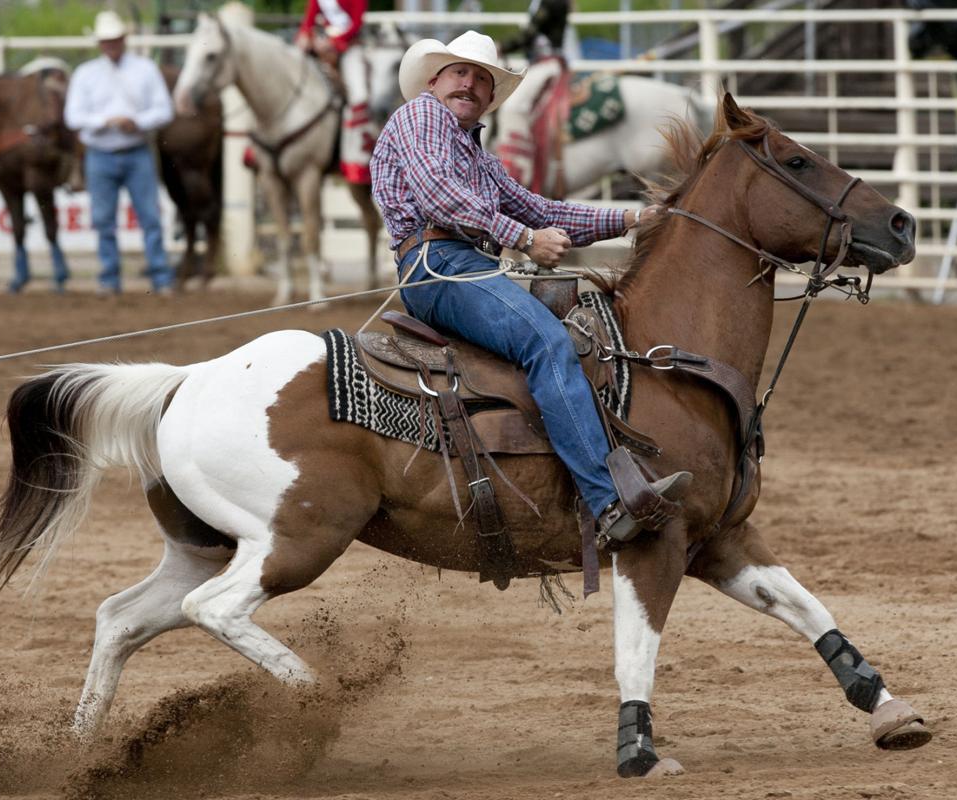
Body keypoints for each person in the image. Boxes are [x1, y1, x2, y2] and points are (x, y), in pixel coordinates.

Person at [370, 30, 690, 544]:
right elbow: (438, 196)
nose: (470, 84)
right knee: (546, 341)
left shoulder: (477, 157)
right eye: (460, 73)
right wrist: (521, 238)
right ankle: (607, 499)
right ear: (433, 81)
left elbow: (544, 211)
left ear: (490, 98)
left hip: (461, 264)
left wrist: (634, 217)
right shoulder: (421, 117)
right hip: (438, 265)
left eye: (482, 79)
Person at [64, 10, 174, 295]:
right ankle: (110, 278)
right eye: (106, 40)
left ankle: (160, 276)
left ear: (123, 39)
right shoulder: (86, 74)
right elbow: (73, 116)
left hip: (136, 150)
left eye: (114, 39)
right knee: (103, 220)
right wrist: (104, 122)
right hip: (100, 152)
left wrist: (137, 122)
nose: (110, 45)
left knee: (149, 216)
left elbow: (164, 110)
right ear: (100, 43)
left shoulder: (145, 69)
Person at [295, 0, 379, 184]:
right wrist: (305, 37)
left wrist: (334, 42)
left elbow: (355, 24)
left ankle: (358, 159)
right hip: (320, 46)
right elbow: (309, 20)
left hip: (348, 47)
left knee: (359, 96)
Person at [499, 0, 579, 64]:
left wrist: (502, 47)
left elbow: (530, 33)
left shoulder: (551, 3)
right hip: (552, 57)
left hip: (548, 60)